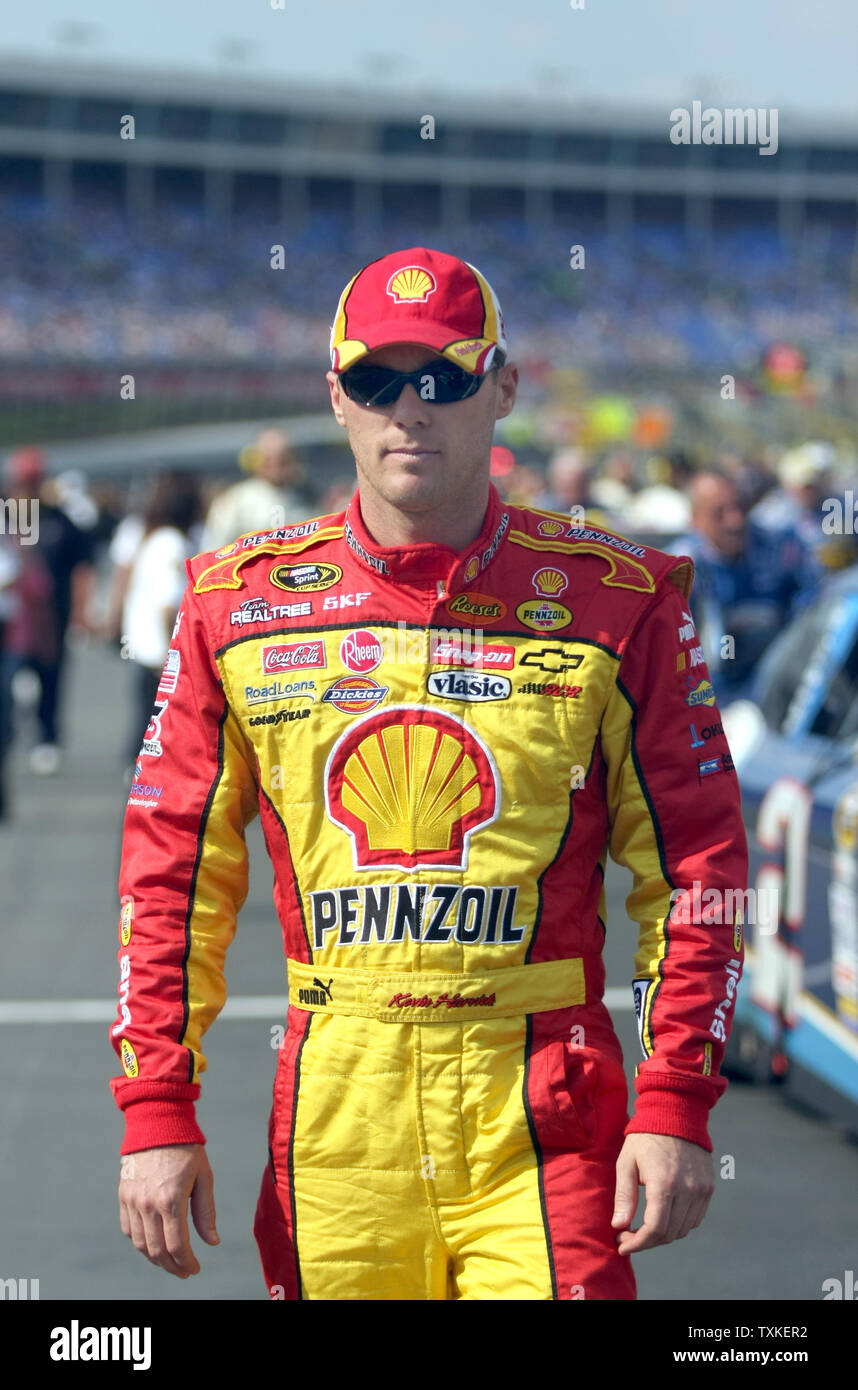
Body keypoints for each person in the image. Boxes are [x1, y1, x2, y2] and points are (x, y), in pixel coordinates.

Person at [110, 246, 748, 1301]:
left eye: (444, 378)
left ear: (502, 386)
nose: (410, 408)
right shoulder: (235, 604)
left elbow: (700, 868)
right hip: (336, 1107)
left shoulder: (623, 597)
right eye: (375, 380)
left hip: (544, 1097)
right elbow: (171, 873)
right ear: (337, 396)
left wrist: (676, 1097)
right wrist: (156, 1108)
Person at [678, 469, 821, 694]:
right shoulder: (680, 570)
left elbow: (814, 604)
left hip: (783, 683)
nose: (735, 521)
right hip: (712, 693)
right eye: (719, 513)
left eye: (741, 507)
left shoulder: (782, 547)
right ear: (695, 519)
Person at [201, 427, 307, 553]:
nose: (276, 465)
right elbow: (215, 549)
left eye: (282, 459)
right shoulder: (235, 500)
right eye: (269, 459)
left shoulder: (304, 500)